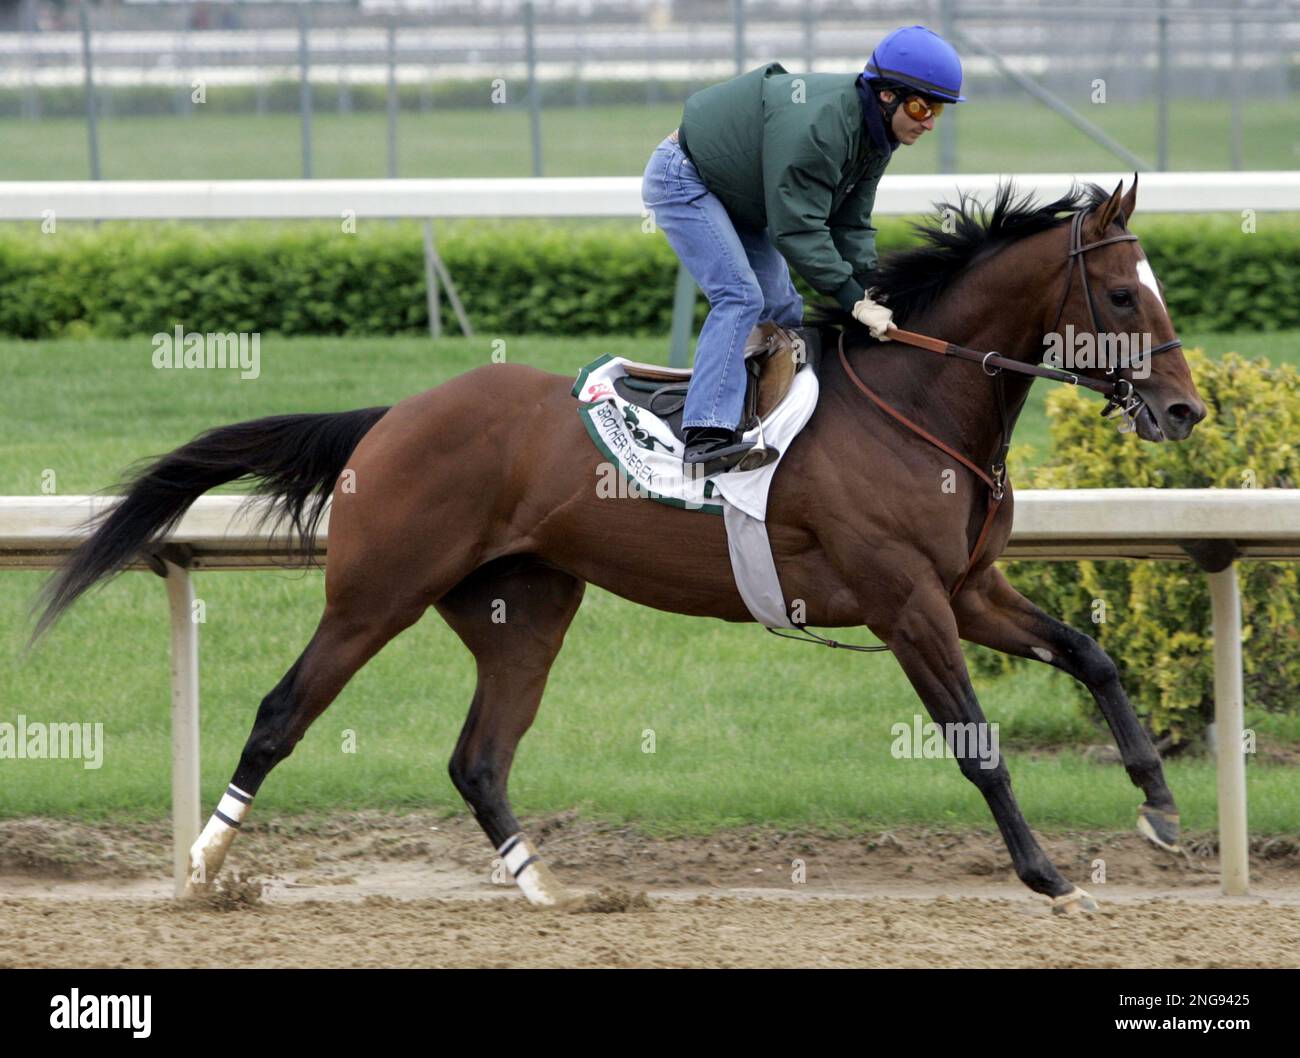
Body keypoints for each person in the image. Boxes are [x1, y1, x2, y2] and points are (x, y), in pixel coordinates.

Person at [640, 25, 965, 472]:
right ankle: (705, 435)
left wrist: (872, 289)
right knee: (741, 296)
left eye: (938, 111)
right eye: (920, 106)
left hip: (741, 195)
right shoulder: (822, 128)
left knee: (784, 308)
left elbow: (850, 222)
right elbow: (797, 230)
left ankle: (764, 422)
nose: (928, 122)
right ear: (886, 96)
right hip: (685, 177)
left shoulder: (877, 139)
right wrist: (852, 301)